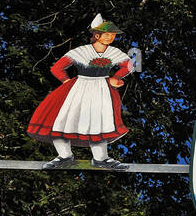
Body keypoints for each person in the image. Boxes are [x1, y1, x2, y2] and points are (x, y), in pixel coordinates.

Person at [29, 14, 134, 169]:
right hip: (78, 88)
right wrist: (66, 81)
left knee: (99, 122)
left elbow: (129, 65)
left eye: (112, 35)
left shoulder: (114, 52)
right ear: (96, 35)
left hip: (102, 89)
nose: (110, 37)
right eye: (107, 34)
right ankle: (64, 156)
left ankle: (101, 158)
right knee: (63, 120)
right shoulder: (81, 51)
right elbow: (57, 67)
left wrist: (116, 77)